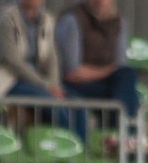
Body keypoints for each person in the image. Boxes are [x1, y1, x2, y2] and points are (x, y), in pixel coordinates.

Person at [0, 0, 67, 130]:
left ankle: (81, 147)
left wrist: (54, 84)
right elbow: (12, 60)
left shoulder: (48, 20)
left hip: (39, 82)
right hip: (10, 81)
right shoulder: (6, 19)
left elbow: (52, 58)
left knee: (78, 107)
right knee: (54, 104)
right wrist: (46, 85)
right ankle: (66, 146)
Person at [54, 0, 139, 145]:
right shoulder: (73, 19)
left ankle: (121, 139)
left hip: (105, 84)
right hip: (76, 85)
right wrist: (108, 70)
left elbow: (120, 63)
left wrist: (102, 71)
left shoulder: (119, 22)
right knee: (124, 90)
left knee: (127, 76)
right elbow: (72, 71)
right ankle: (128, 138)